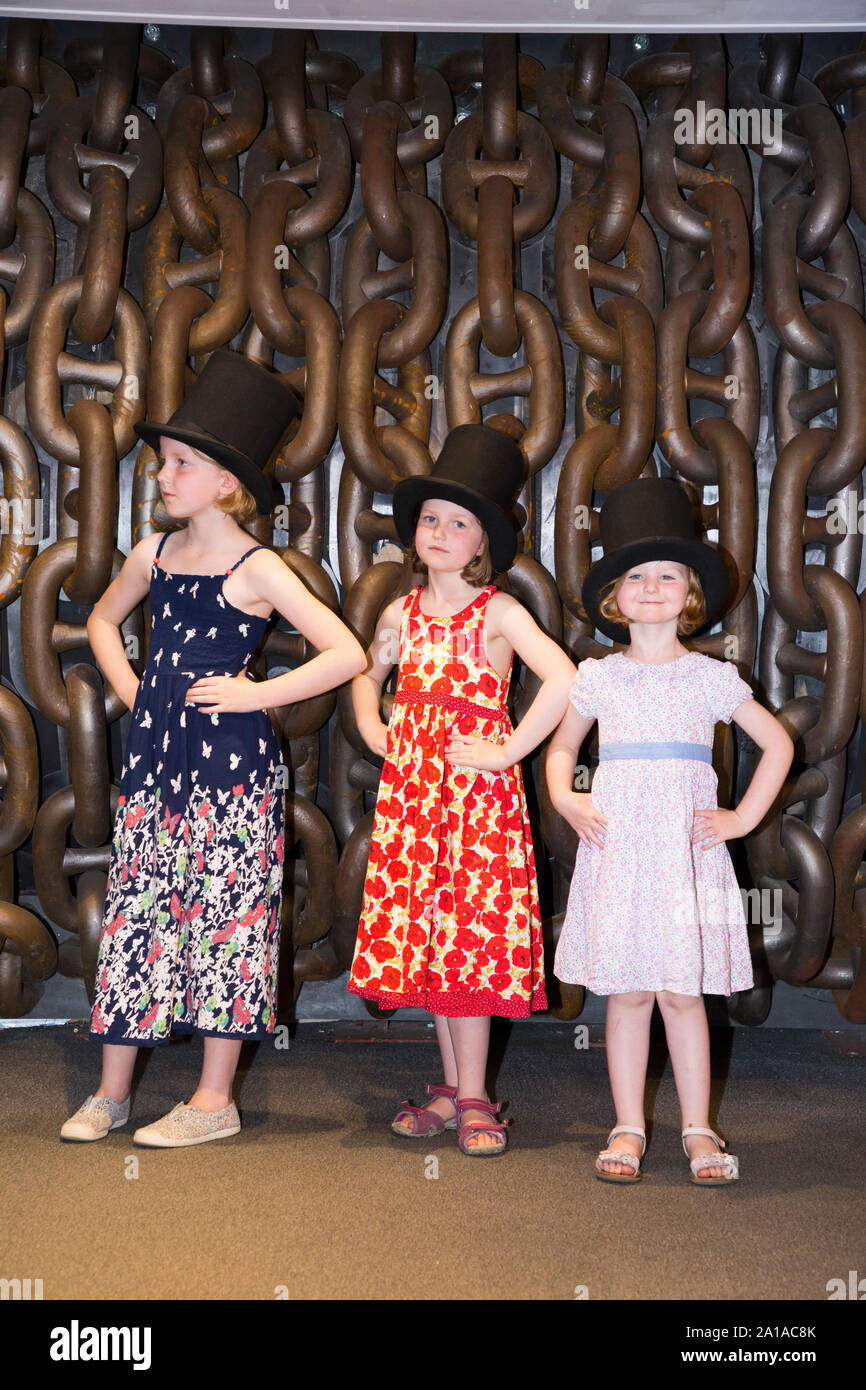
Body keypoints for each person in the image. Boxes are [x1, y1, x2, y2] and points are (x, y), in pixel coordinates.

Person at [61, 349, 366, 1147]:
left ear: (226, 482)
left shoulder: (255, 566)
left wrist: (254, 694)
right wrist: (137, 690)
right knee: (138, 913)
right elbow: (101, 621)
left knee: (231, 921)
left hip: (233, 771)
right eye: (166, 462)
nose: (164, 475)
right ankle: (112, 1091)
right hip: (157, 765)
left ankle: (213, 1100)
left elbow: (345, 653)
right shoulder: (152, 555)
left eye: (182, 464)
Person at [547, 476, 793, 1185]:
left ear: (689, 593)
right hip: (620, 853)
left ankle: (697, 1127)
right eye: (635, 576)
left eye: (668, 575)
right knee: (626, 992)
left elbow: (777, 745)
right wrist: (566, 797)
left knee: (685, 994)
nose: (651, 587)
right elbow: (562, 750)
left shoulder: (710, 679)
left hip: (687, 856)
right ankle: (626, 1125)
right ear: (613, 596)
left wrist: (743, 817)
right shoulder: (598, 677)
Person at [348, 424, 575, 1155]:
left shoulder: (499, 613)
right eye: (430, 519)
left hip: (474, 804)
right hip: (415, 802)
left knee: (468, 940)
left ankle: (475, 1095)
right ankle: (452, 1087)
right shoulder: (400, 613)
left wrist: (508, 747)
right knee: (432, 942)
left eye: (459, 523)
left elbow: (567, 678)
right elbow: (365, 673)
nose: (440, 532)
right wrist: (371, 724)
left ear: (483, 544)